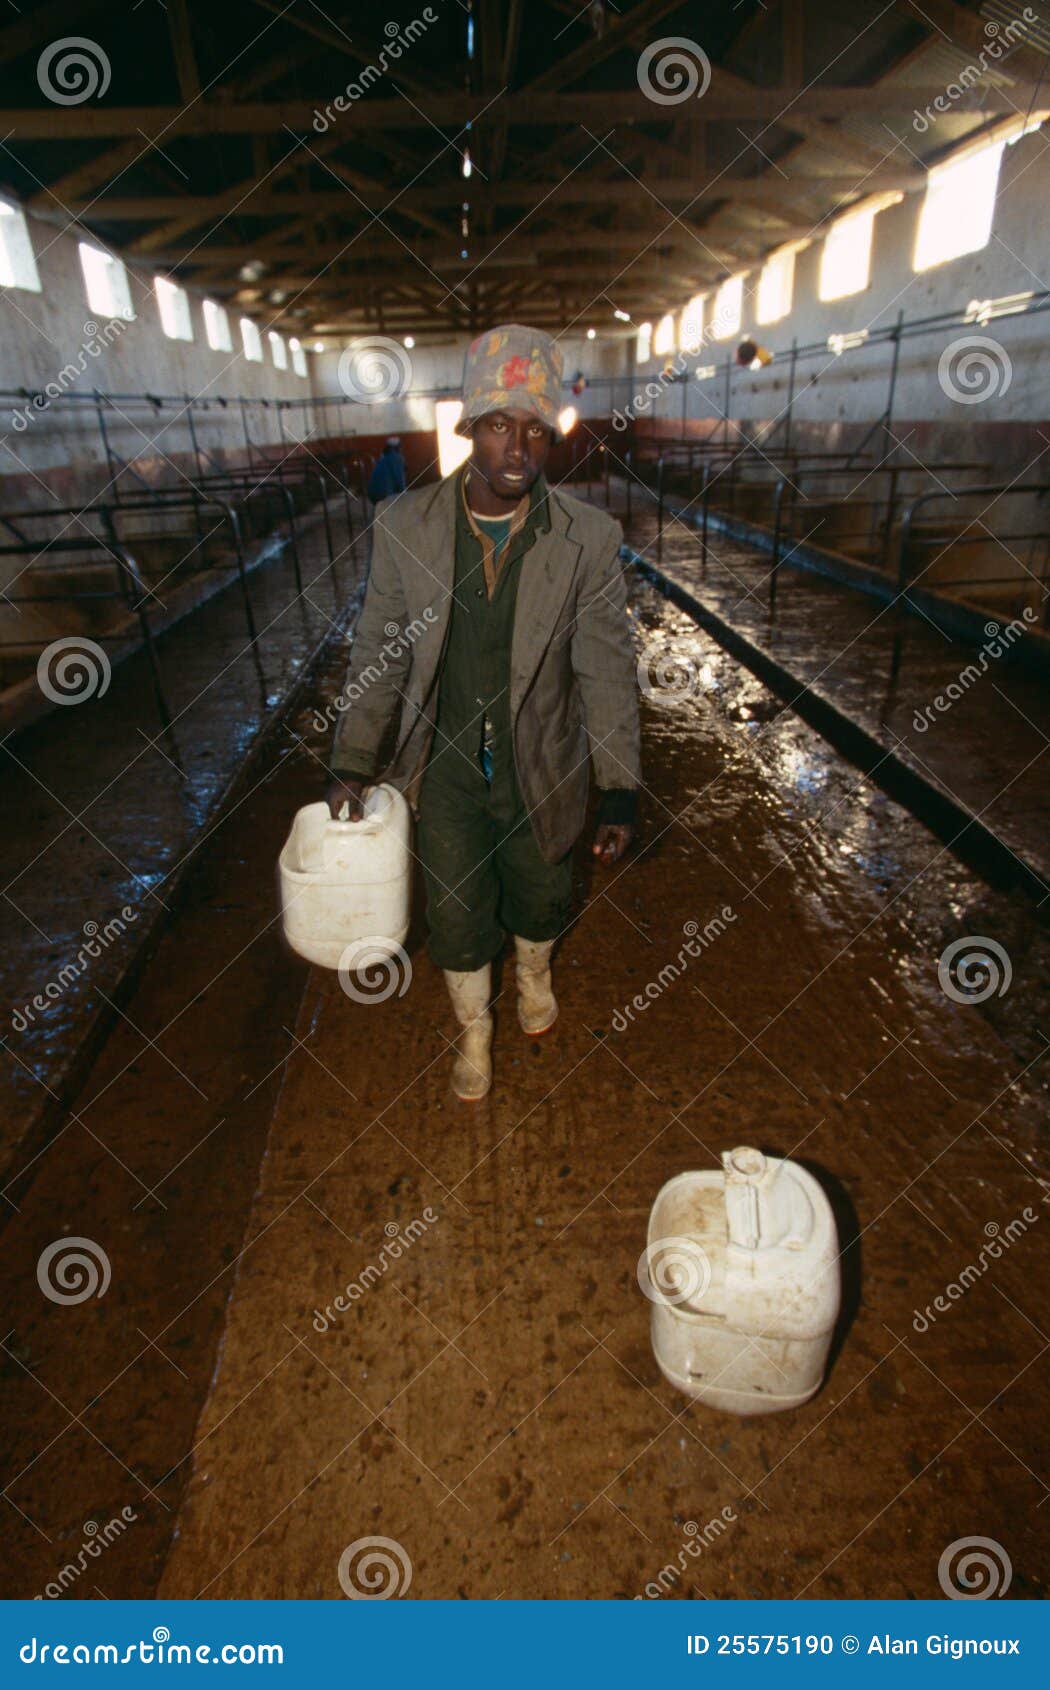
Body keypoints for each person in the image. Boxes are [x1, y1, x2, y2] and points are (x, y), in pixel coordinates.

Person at [325, 324, 641, 1101]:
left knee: (541, 892)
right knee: (458, 909)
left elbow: (604, 661)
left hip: (544, 757)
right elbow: (379, 651)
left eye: (535, 429)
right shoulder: (407, 527)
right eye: (500, 425)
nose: (518, 449)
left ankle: (534, 972)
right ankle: (474, 1033)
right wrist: (352, 760)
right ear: (469, 428)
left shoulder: (586, 538)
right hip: (445, 764)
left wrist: (621, 782)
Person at [367, 437, 407, 508]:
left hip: (372, 494)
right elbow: (399, 479)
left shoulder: (383, 457)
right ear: (398, 447)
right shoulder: (397, 458)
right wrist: (405, 495)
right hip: (385, 495)